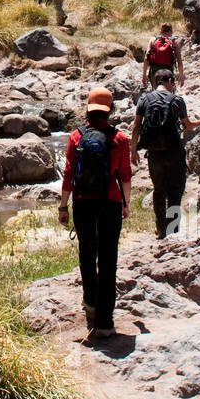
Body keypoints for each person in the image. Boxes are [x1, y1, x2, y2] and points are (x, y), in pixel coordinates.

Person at [58, 87, 132, 338]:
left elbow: (68, 174)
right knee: (108, 260)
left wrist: (62, 206)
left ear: (88, 110)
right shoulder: (120, 139)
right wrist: (126, 203)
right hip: (110, 202)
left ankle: (90, 302)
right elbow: (125, 175)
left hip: (82, 203)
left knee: (87, 255)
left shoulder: (76, 137)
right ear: (110, 110)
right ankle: (104, 323)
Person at [131, 68, 200, 239]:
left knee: (159, 190)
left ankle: (161, 229)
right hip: (174, 152)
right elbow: (187, 125)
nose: (174, 85)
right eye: (173, 81)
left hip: (154, 153)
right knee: (175, 191)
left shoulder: (144, 99)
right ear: (169, 81)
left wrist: (133, 150)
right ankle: (173, 232)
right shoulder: (177, 100)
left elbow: (136, 126)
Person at [142, 23, 184, 88]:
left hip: (154, 70)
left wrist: (144, 75)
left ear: (161, 31)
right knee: (168, 94)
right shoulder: (173, 42)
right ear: (171, 31)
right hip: (168, 70)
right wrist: (181, 76)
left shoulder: (153, 40)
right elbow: (179, 61)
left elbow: (146, 58)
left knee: (156, 92)